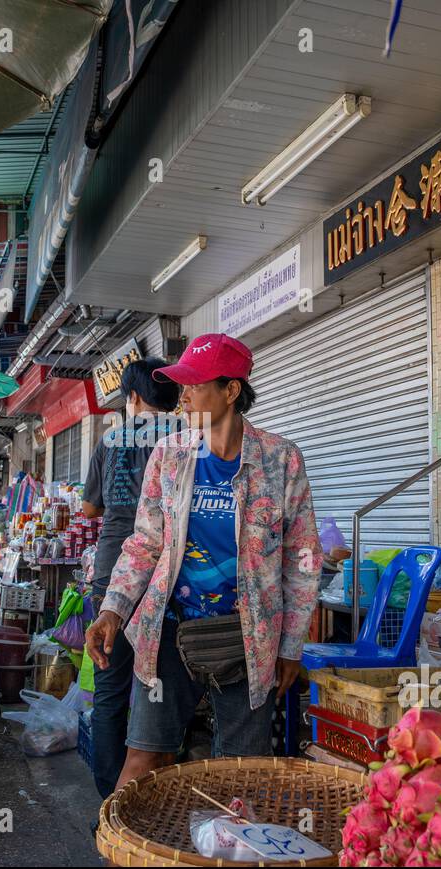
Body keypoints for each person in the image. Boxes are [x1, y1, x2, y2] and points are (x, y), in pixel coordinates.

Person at [84, 333, 322, 790]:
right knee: (142, 762)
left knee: (240, 775)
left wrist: (291, 646)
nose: (184, 395)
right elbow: (144, 543)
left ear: (231, 391)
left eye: (195, 384)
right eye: (182, 384)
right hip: (169, 631)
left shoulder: (280, 459)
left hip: (248, 637)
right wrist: (113, 609)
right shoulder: (169, 455)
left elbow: (302, 558)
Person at [79, 358, 180, 796]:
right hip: (169, 577)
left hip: (114, 574)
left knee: (110, 687)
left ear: (133, 397)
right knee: (164, 685)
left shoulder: (111, 440)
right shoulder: (186, 439)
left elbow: (90, 509)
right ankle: (152, 797)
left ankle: (109, 802)